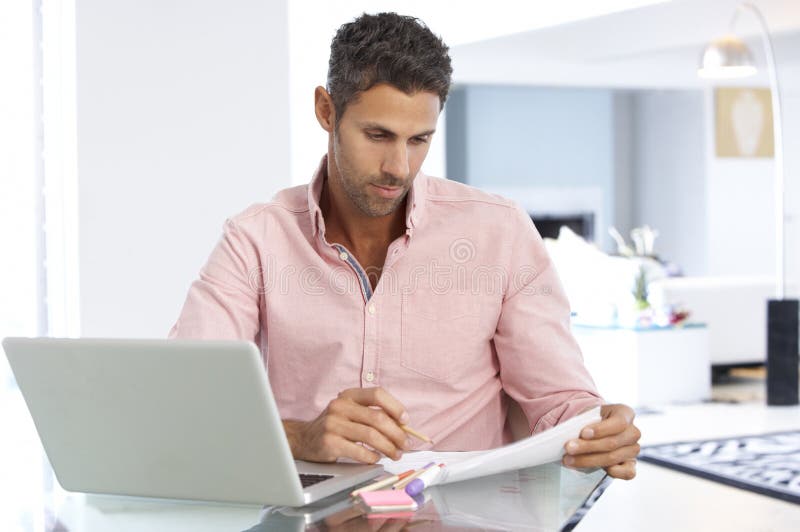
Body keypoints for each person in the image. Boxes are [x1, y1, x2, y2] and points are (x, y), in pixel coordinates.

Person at [170, 12, 640, 480]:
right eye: (378, 136)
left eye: (419, 140)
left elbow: (559, 401)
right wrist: (297, 436)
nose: (399, 166)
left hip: (463, 513)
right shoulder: (256, 239)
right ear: (326, 110)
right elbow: (185, 404)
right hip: (307, 514)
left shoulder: (500, 232)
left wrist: (598, 428)